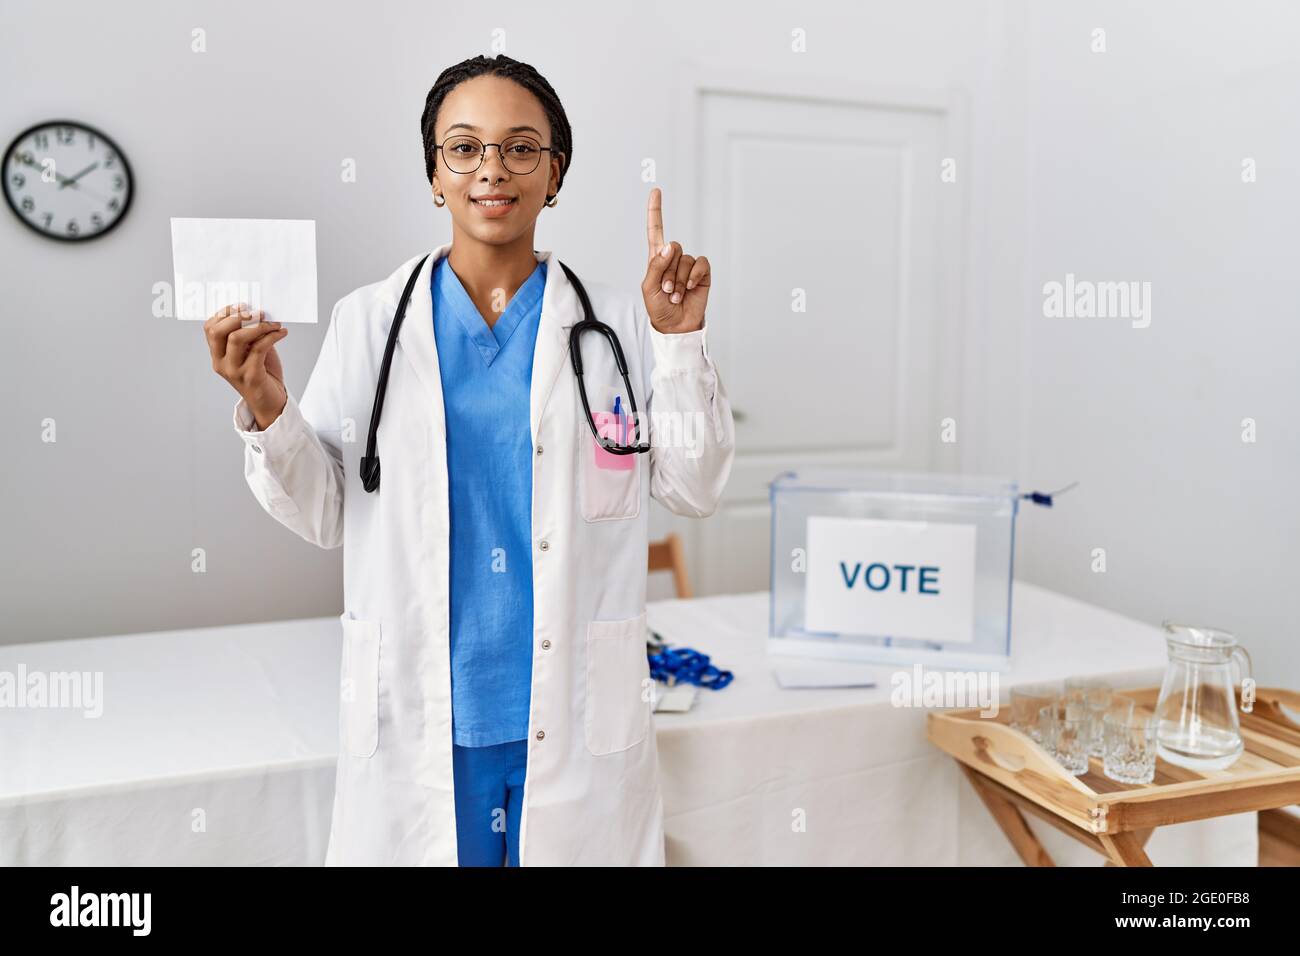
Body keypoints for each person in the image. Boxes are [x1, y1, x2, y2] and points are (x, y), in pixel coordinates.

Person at [204, 54, 735, 866]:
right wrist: (270, 410)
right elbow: (323, 513)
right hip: (423, 717)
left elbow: (693, 488)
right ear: (434, 173)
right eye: (465, 147)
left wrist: (679, 342)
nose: (493, 168)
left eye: (523, 147)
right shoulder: (371, 323)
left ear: (555, 174)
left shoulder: (621, 326)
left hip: (574, 716)